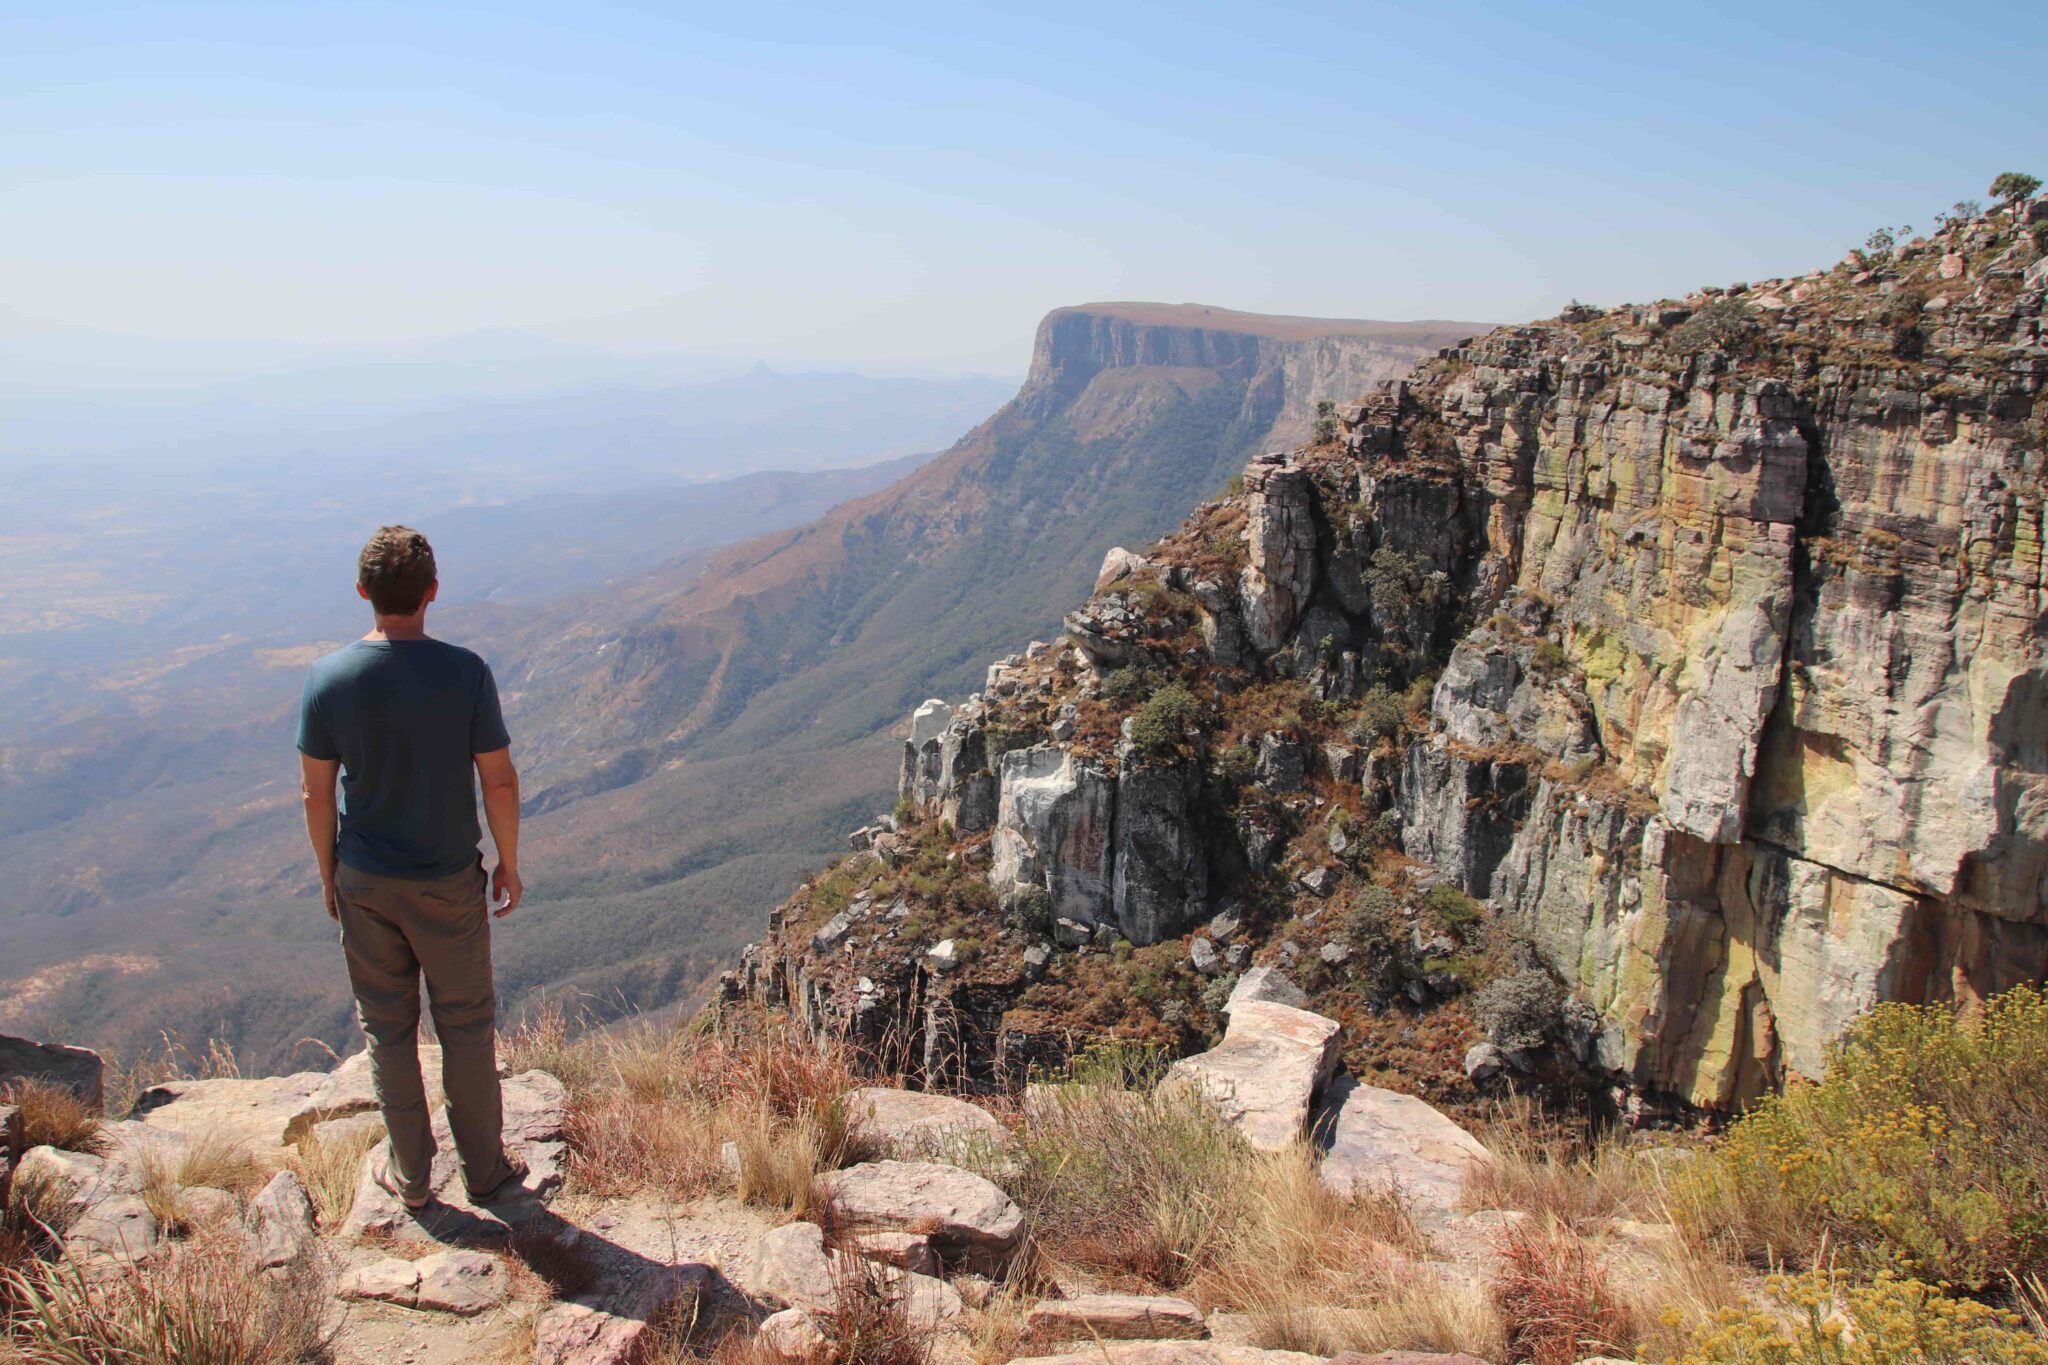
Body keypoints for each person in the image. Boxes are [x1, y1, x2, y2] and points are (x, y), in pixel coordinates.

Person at [296, 525, 527, 1210]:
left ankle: (413, 1176)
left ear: (363, 591)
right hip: (448, 879)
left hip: (364, 879)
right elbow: (500, 780)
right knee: (464, 1023)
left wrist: (326, 870)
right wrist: (508, 862)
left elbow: (315, 791)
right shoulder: (465, 672)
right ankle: (485, 1171)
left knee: (388, 1029)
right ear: (431, 592)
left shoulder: (327, 679)